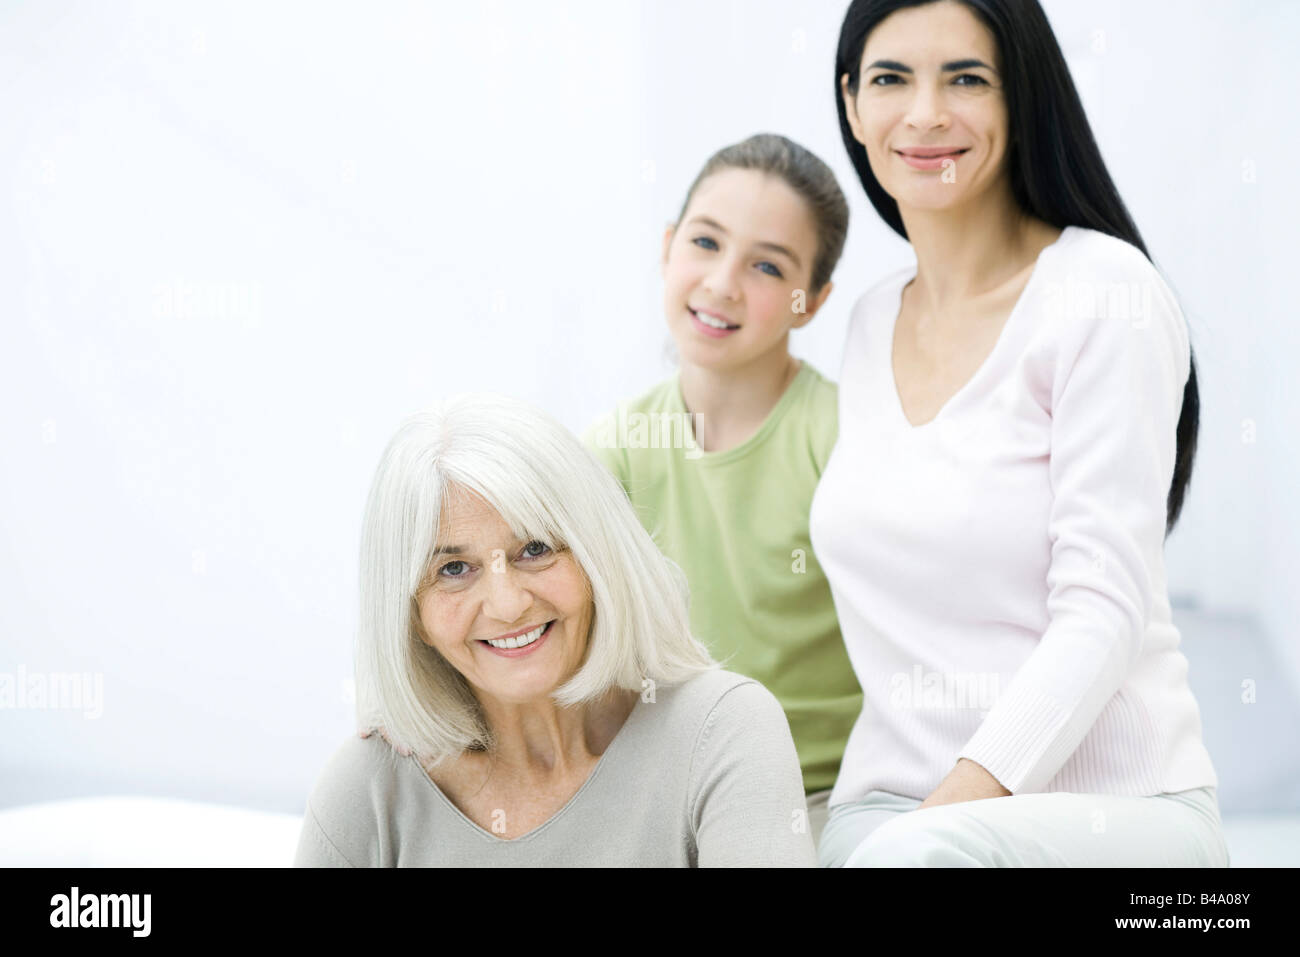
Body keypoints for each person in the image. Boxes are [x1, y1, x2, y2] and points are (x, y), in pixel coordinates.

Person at [812, 0, 1228, 866]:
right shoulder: (867, 322)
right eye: (891, 79)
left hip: (1115, 811)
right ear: (853, 104)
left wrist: (937, 822)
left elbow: (1102, 610)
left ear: (1019, 99)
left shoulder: (1103, 291)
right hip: (893, 809)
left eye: (966, 78)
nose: (925, 112)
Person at [293, 393, 815, 867]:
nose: (506, 604)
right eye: (453, 569)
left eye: (536, 549)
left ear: (599, 560)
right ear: (413, 616)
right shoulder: (368, 790)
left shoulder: (722, 732)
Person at [582, 132, 862, 848]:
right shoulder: (616, 445)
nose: (722, 283)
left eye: (767, 265)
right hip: (677, 793)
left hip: (827, 794)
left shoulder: (841, 437)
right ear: (669, 245)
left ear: (813, 300)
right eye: (705, 243)